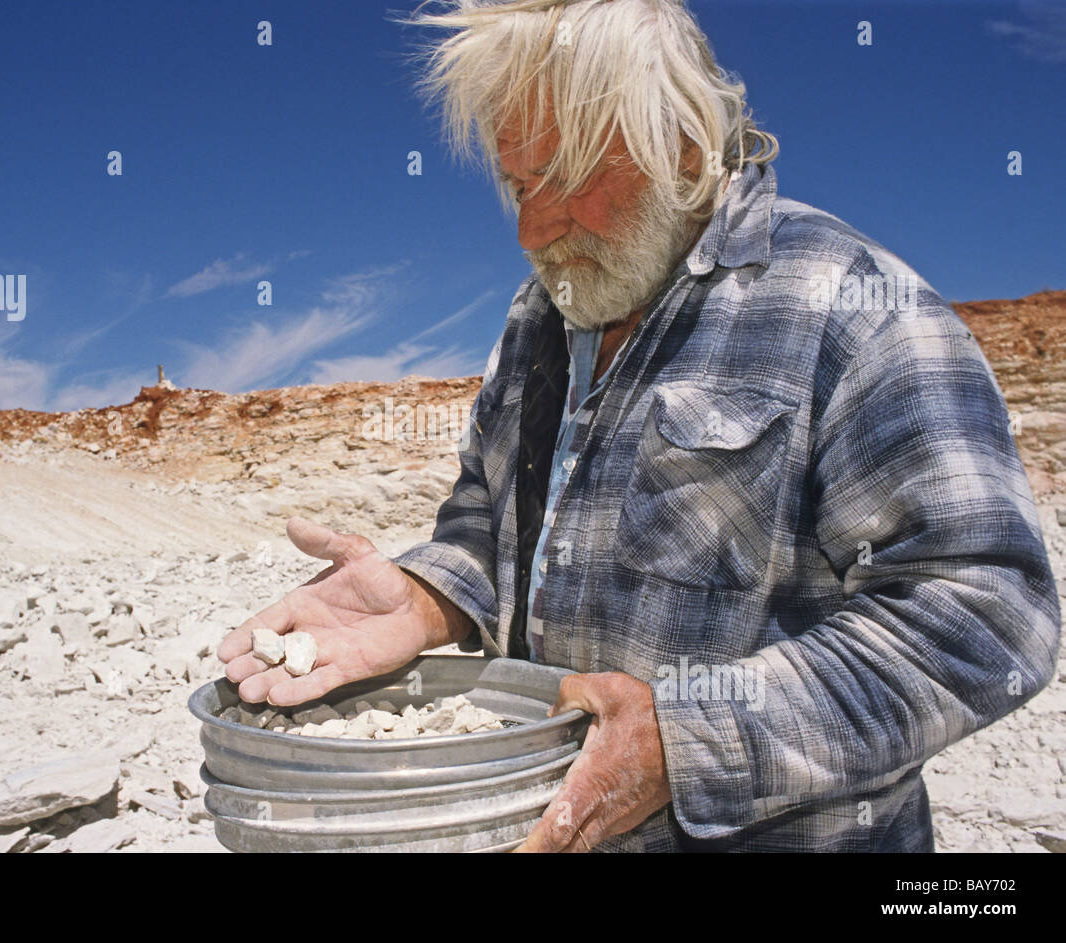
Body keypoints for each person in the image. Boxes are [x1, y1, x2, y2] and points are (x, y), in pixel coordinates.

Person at [218, 0, 1060, 852]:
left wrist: (687, 738)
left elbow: (989, 615)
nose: (531, 230)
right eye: (517, 184)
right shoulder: (542, 317)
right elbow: (490, 517)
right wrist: (427, 596)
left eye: (572, 175)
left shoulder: (851, 305)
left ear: (685, 145)